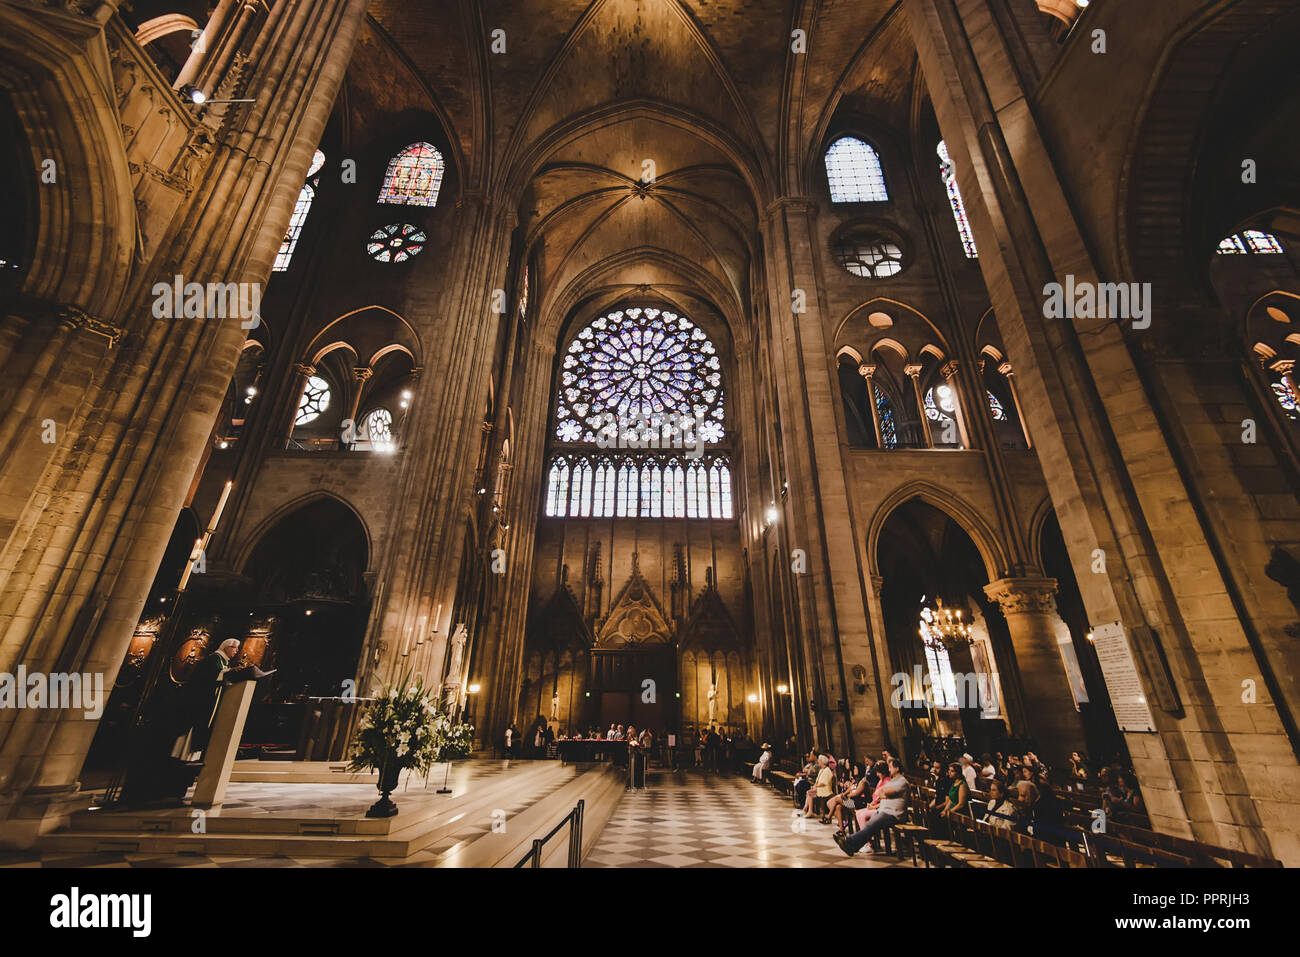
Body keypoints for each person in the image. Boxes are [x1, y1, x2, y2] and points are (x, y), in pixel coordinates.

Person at [836, 757, 908, 856]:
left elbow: (884, 792)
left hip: (892, 813)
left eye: (890, 767)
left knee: (870, 824)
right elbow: (880, 793)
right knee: (869, 824)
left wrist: (883, 794)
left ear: (897, 768)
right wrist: (883, 794)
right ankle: (851, 844)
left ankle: (850, 842)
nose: (889, 769)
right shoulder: (891, 781)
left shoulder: (901, 781)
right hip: (883, 810)